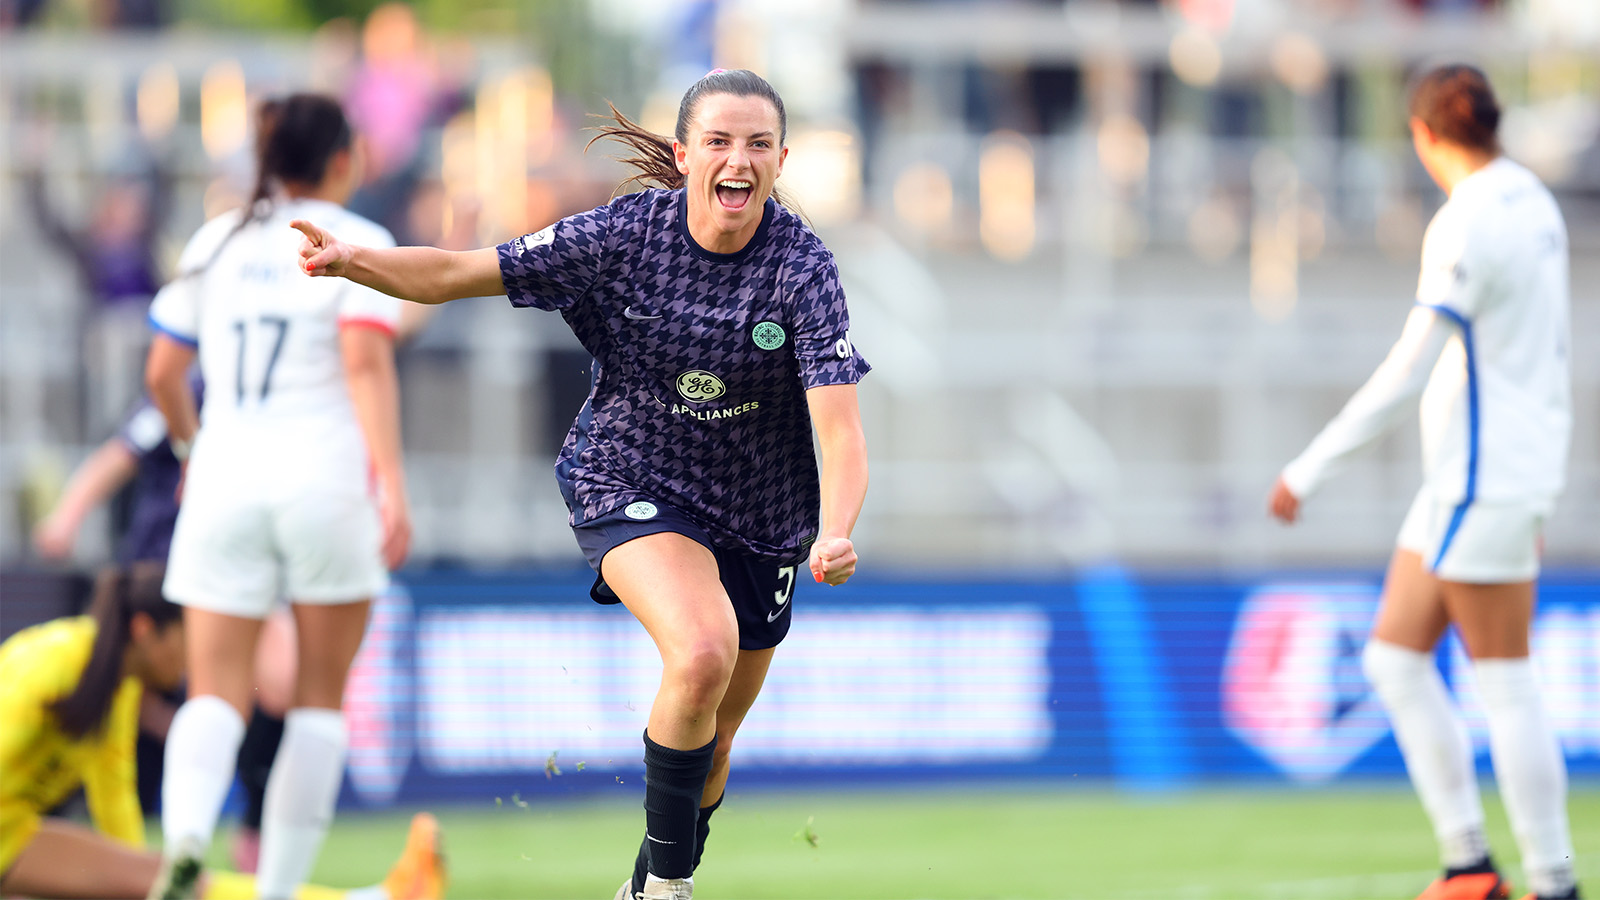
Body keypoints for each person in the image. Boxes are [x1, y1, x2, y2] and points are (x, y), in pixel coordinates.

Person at [292, 68, 870, 900]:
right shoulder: (622, 238)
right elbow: (454, 272)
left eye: (757, 144)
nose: (737, 159)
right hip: (630, 476)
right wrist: (354, 261)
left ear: (782, 159)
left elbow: (840, 429)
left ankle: (645, 883)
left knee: (715, 739)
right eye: (717, 140)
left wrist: (837, 528)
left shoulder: (802, 268)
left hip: (762, 513)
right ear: (684, 154)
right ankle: (669, 891)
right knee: (702, 650)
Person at [1269, 65, 1578, 900]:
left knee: (1504, 683)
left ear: (1422, 135)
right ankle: (1469, 866)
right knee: (1394, 659)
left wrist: (1309, 467)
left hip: (1484, 478)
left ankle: (1553, 881)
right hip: (1481, 476)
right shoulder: (1532, 200)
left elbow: (1410, 367)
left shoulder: (1467, 220)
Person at [143, 92, 414, 900]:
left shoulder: (217, 238)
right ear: (342, 160)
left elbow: (162, 373)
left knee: (213, 693)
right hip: (322, 480)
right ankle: (278, 890)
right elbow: (364, 361)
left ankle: (185, 842)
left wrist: (191, 449)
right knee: (319, 703)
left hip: (224, 475)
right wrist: (392, 484)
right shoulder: (358, 239)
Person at [0, 562, 444, 900]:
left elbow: (112, 795)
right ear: (145, 630)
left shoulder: (115, 689)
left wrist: (134, 876)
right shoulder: (55, 663)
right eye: (185, 636)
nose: (191, 656)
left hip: (13, 832)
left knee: (166, 881)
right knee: (174, 882)